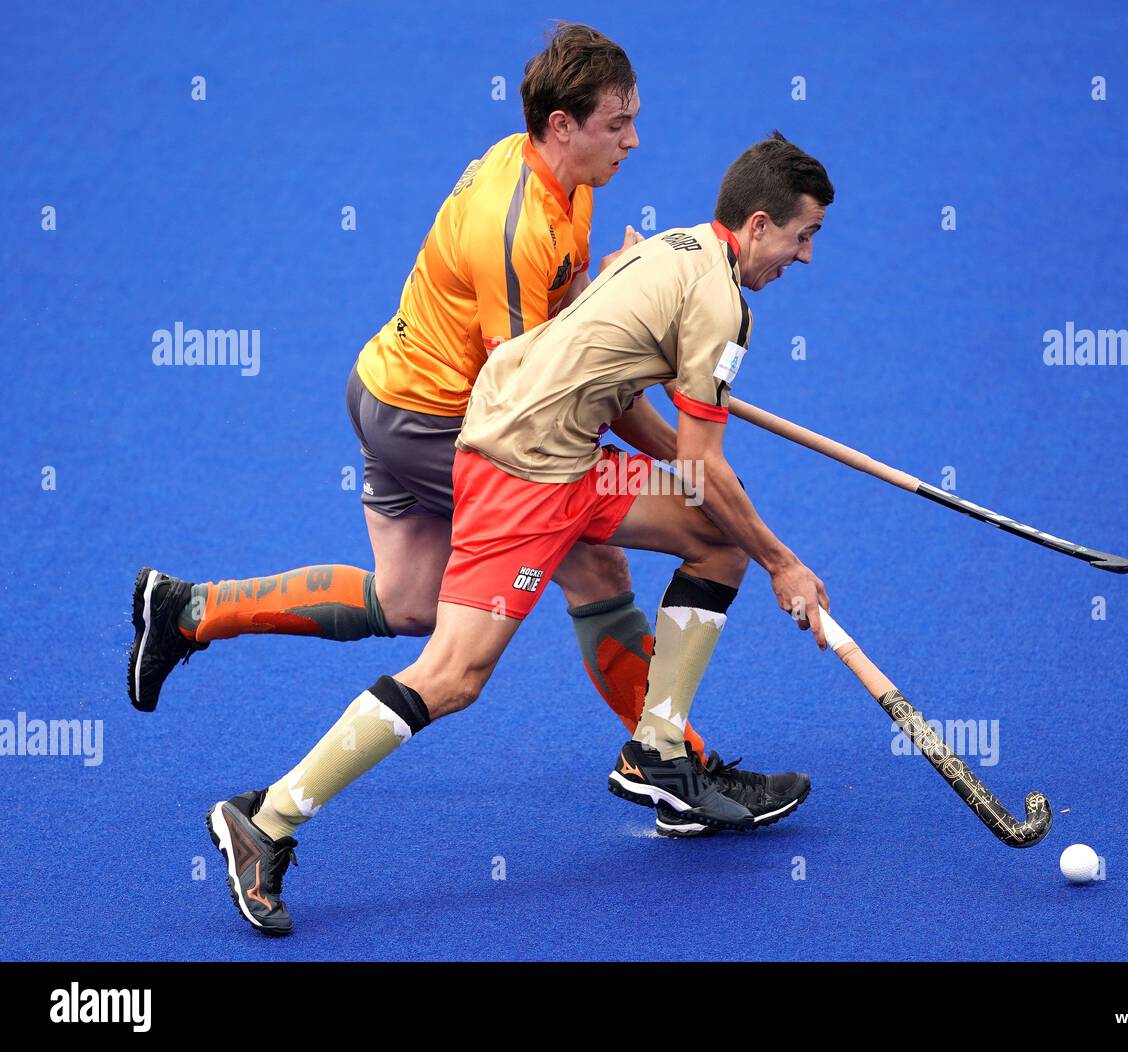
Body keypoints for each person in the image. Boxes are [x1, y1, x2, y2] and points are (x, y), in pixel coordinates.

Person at [128, 24, 800, 839]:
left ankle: (192, 610)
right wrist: (658, 385)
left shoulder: (565, 180)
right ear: (562, 124)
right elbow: (532, 384)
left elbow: (571, 309)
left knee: (410, 601)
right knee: (589, 562)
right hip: (438, 417)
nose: (634, 139)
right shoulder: (515, 229)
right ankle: (669, 761)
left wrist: (624, 308)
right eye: (617, 123)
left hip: (385, 387)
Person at [205, 132, 834, 934]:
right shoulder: (722, 307)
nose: (806, 256)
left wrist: (738, 516)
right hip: (526, 477)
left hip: (565, 456)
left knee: (716, 540)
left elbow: (662, 439)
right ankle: (265, 820)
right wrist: (786, 563)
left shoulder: (675, 250)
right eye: (802, 235)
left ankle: (659, 751)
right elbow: (704, 465)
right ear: (755, 225)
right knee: (455, 676)